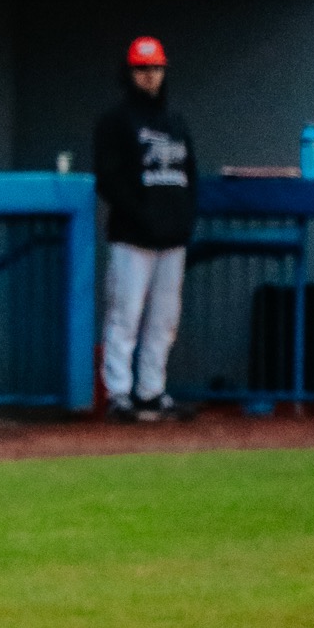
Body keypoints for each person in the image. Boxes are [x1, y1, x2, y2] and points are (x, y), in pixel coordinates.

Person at [93, 36, 198, 423]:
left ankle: (151, 391)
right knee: (125, 315)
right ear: (129, 73)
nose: (150, 76)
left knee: (164, 319)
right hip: (132, 237)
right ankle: (118, 394)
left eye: (155, 69)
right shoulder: (115, 121)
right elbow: (108, 179)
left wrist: (184, 220)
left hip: (172, 238)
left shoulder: (176, 121)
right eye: (142, 69)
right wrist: (140, 214)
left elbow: (190, 176)